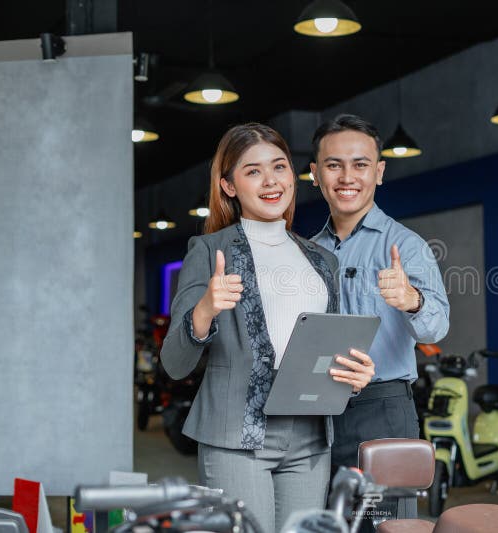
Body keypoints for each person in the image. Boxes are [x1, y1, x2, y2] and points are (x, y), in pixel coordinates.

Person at [160, 123, 376, 533]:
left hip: (311, 436)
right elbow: (173, 363)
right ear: (228, 185)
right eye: (253, 171)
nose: (271, 180)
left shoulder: (320, 260)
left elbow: (326, 347)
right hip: (236, 436)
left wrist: (354, 375)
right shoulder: (208, 251)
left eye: (279, 167)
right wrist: (205, 309)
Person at [310, 114, 450, 520]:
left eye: (360, 164)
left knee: (387, 527)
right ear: (316, 174)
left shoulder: (406, 246)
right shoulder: (307, 251)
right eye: (334, 165)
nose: (346, 177)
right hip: (317, 414)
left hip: (381, 410)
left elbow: (438, 325)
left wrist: (411, 299)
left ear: (379, 172)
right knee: (325, 525)